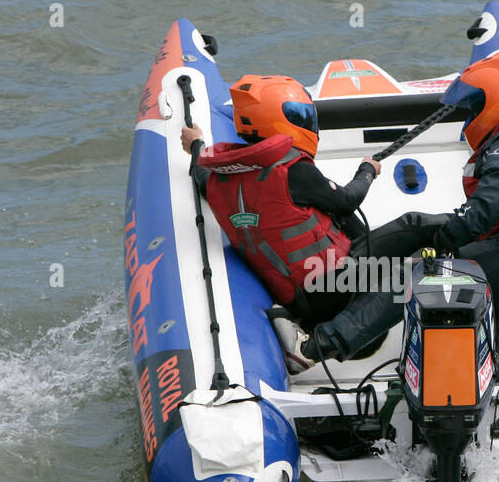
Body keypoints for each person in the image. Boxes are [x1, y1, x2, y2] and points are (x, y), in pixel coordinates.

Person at [287, 49, 499, 371]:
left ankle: (311, 349)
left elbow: (497, 201)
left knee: (412, 276)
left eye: (474, 107)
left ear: (498, 99)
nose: (470, 115)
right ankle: (337, 282)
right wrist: (446, 239)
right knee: (417, 229)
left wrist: (443, 246)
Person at [182, 74, 444, 338]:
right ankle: (473, 236)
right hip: (334, 289)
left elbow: (199, 170)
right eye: (298, 114)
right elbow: (346, 200)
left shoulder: (217, 178)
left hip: (300, 299)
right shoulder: (293, 172)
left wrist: (196, 144)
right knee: (414, 225)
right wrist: (367, 170)